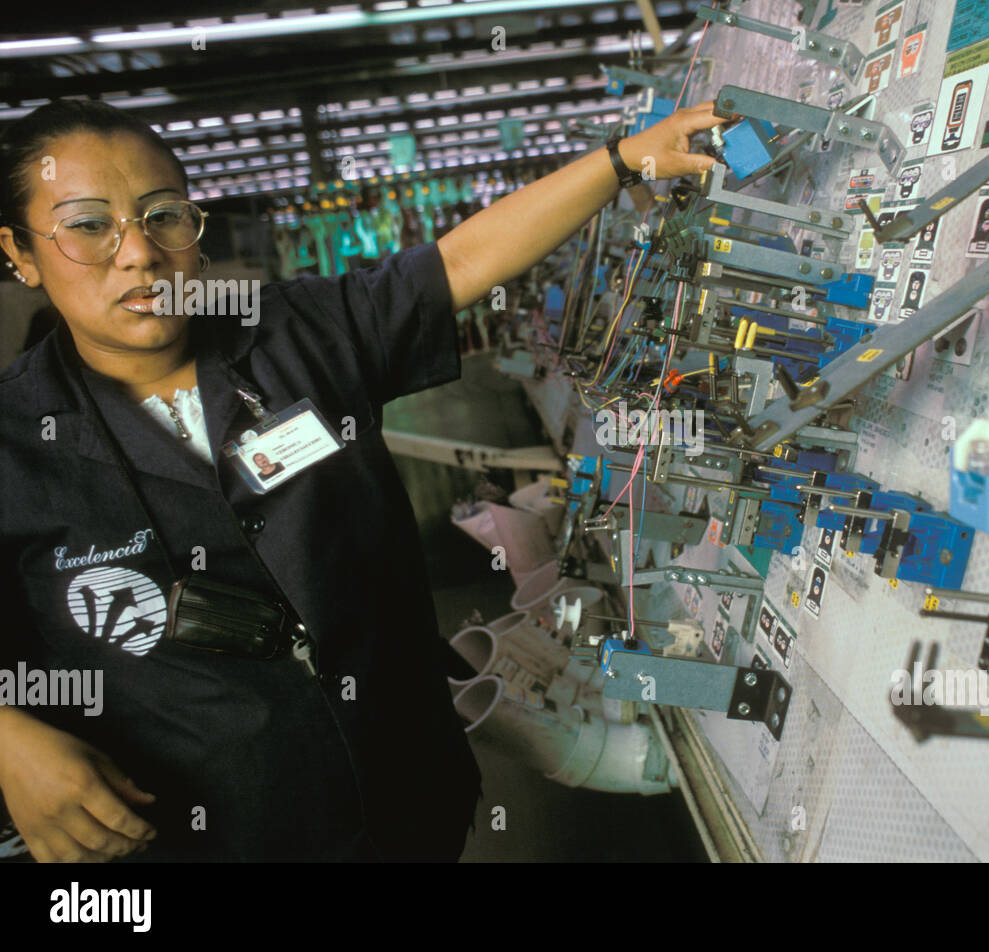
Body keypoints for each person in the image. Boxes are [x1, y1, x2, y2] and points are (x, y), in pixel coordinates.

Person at [0, 97, 720, 862]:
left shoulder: (293, 336)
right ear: (18, 253)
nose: (138, 252)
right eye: (87, 225)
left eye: (163, 215)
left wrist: (620, 161)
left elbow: (462, 263)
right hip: (209, 835)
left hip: (405, 800)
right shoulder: (15, 444)